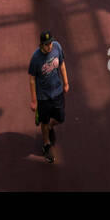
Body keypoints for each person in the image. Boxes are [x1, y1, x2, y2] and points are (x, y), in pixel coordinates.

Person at [28, 30, 69, 164]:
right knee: (44, 122)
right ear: (41, 45)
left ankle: (51, 126)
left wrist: (66, 82)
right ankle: (46, 144)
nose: (49, 46)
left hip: (57, 92)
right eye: (46, 44)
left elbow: (62, 64)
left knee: (60, 118)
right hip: (43, 97)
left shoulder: (57, 47)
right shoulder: (35, 58)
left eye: (50, 43)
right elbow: (32, 79)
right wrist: (34, 101)